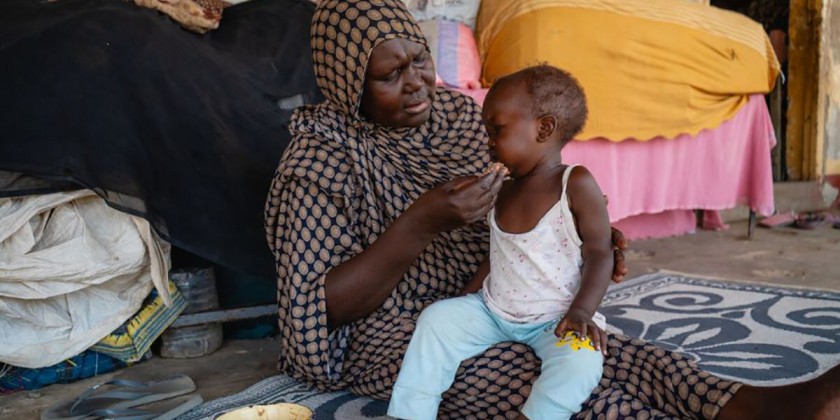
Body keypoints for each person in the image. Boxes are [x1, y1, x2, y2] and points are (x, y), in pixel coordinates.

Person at [265, 0, 840, 418]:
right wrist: (420, 222)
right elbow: (320, 309)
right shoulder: (321, 159)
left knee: (596, 347)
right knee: (515, 377)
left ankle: (750, 404)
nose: (418, 84)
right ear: (348, 84)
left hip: (490, 294)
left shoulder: (454, 117)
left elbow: (530, 194)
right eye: (390, 75)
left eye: (419, 60)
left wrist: (576, 230)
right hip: (386, 328)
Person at [388, 65, 614, 420]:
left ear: (544, 128)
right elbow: (502, 255)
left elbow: (601, 252)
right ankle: (410, 412)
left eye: (497, 130)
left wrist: (582, 311)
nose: (488, 142)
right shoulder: (503, 188)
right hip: (493, 311)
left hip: (556, 317)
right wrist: (467, 296)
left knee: (583, 357)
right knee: (436, 320)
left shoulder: (576, 183)